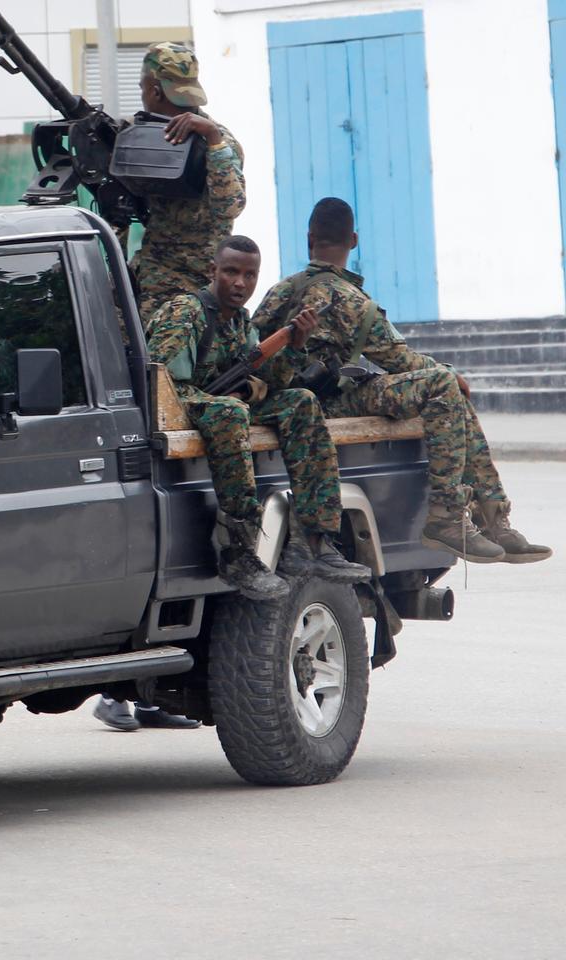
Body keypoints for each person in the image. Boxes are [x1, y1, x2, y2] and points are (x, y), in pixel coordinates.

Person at [94, 235, 370, 734]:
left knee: (302, 403)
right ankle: (239, 545)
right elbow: (158, 380)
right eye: (231, 273)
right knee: (227, 411)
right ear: (213, 270)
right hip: (182, 406)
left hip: (221, 402)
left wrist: (292, 348)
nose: (240, 283)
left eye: (248, 275)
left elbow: (268, 377)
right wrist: (231, 395)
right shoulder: (187, 311)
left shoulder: (242, 322)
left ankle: (317, 536)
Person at [254, 198, 551, 564]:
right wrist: (447, 372)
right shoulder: (350, 300)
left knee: (444, 383)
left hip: (286, 402)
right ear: (355, 241)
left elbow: (254, 349)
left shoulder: (279, 292)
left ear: (309, 238)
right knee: (443, 384)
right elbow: (400, 360)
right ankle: (459, 515)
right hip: (328, 404)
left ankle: (488, 516)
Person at [129, 42, 246, 321]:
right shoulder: (146, 137)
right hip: (149, 283)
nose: (142, 95)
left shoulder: (219, 141)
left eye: (142, 87)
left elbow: (231, 206)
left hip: (195, 295)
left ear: (155, 91)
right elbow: (122, 206)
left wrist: (213, 140)